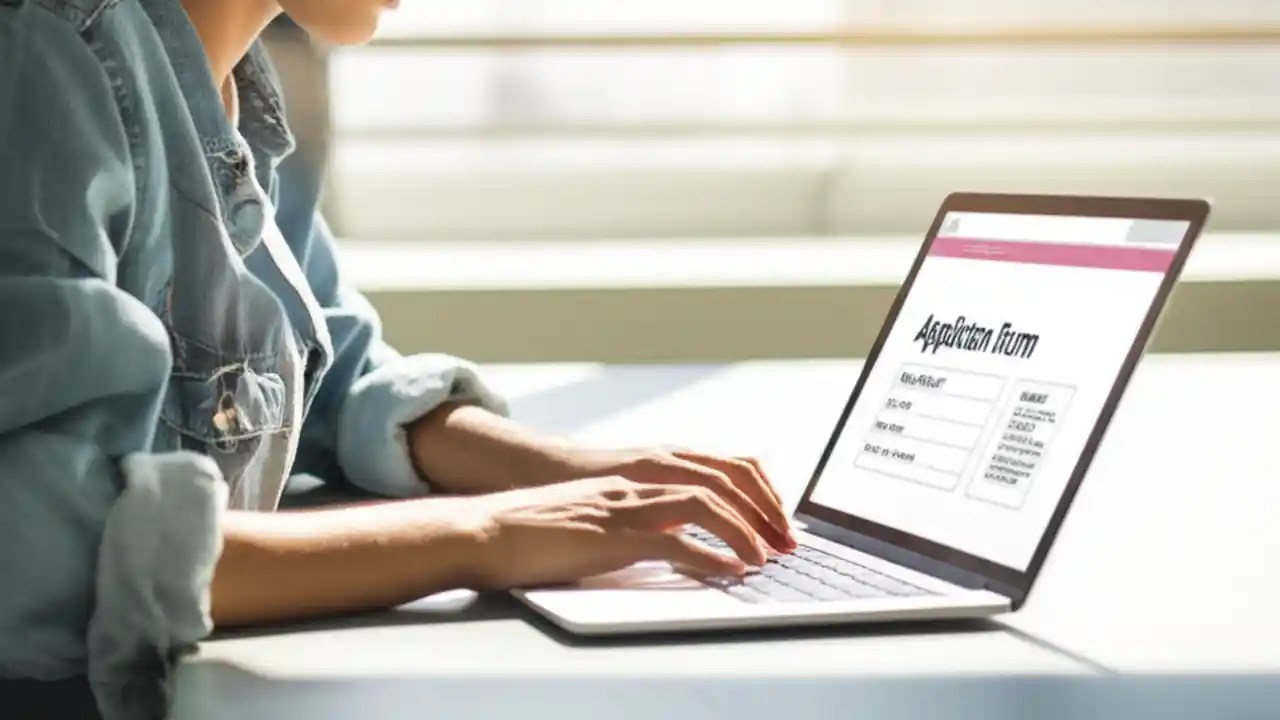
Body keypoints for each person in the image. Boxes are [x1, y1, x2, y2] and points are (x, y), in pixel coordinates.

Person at [0, 1, 795, 718]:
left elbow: (331, 381)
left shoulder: (255, 71)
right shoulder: (42, 62)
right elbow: (41, 553)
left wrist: (572, 473)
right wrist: (482, 535)